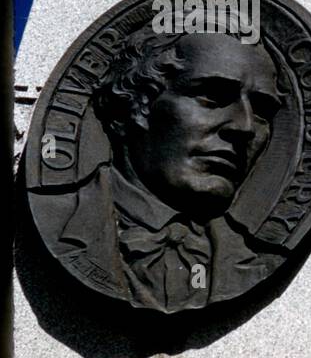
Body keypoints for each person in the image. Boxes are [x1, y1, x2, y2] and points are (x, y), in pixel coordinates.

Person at [37, 22, 286, 312]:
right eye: (212, 97)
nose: (244, 127)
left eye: (262, 111)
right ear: (138, 104)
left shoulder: (247, 256)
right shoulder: (67, 219)